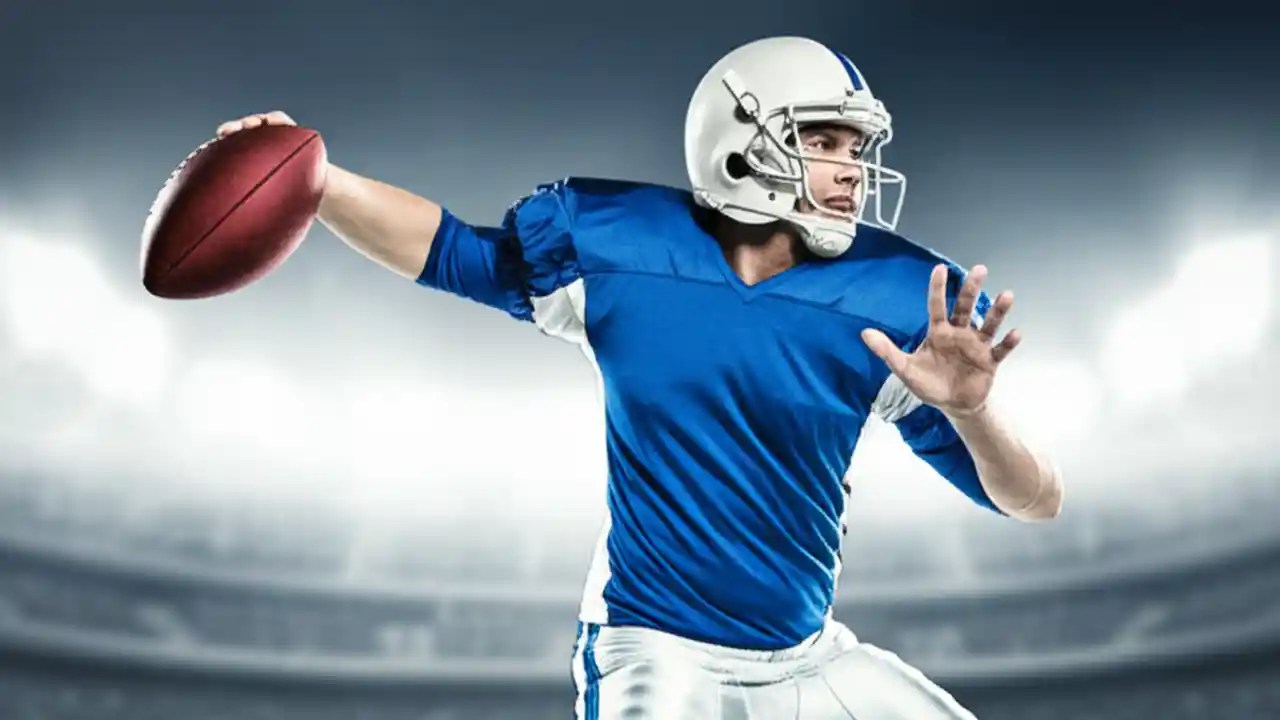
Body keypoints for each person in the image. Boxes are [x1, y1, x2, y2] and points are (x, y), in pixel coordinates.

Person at [216, 35, 1063, 720]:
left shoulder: (894, 301)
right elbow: (450, 252)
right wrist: (315, 181)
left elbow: (1036, 500)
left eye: (858, 147)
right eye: (823, 140)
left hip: (806, 656)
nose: (851, 170)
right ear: (740, 142)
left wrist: (975, 412)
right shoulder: (620, 249)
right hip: (655, 645)